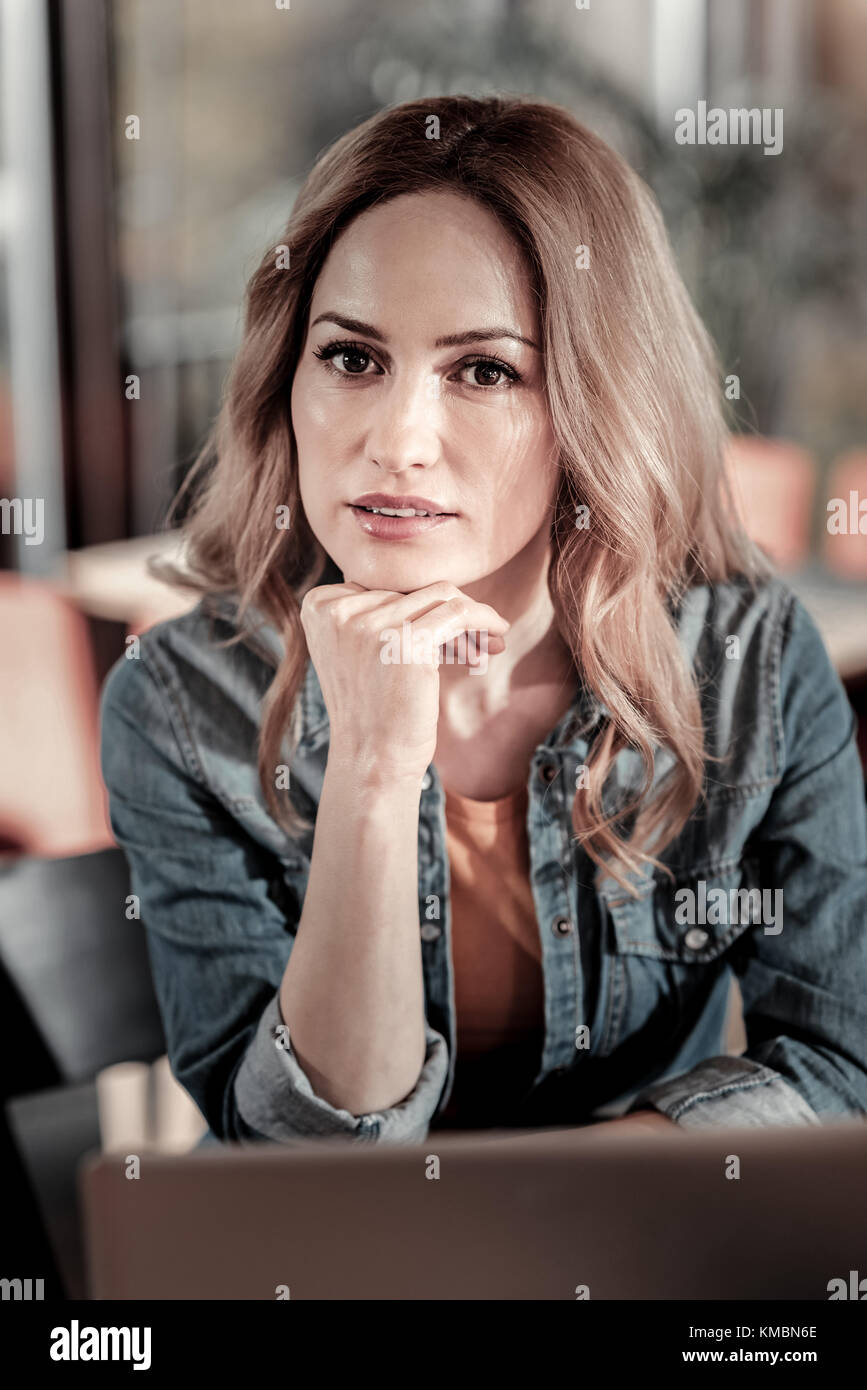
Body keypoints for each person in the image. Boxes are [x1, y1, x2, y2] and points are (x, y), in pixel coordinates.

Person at [100, 95, 867, 1145]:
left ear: (599, 404)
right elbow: (298, 1162)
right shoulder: (184, 701)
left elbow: (844, 1061)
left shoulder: (751, 662)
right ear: (290, 374)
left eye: (485, 370)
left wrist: (557, 1199)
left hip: (649, 1252)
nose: (398, 440)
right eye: (353, 357)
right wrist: (372, 767)